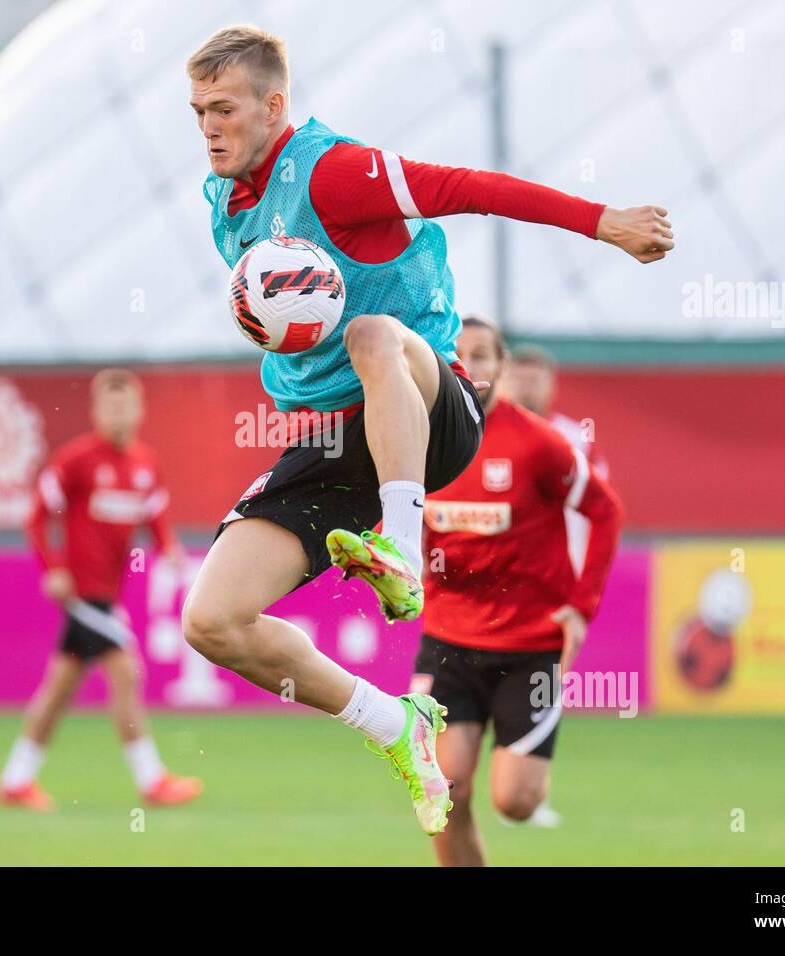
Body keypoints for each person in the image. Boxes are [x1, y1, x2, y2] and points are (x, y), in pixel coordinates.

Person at [181, 24, 669, 835]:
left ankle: (403, 546)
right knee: (212, 621)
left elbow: (470, 186)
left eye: (223, 109)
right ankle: (395, 726)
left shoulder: (334, 172)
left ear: (274, 105)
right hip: (336, 444)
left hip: (434, 407)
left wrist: (603, 221)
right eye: (197, 111)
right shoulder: (225, 203)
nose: (208, 127)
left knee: (373, 335)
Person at [417, 317, 624, 865]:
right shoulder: (415, 435)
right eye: (456, 353)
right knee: (441, 793)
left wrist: (580, 610)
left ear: (501, 368)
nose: (470, 364)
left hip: (529, 647)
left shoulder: (539, 444)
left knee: (514, 801)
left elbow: (605, 509)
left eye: (483, 355)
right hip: (447, 642)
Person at [0, 369, 202, 810]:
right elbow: (37, 516)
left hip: (107, 596)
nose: (118, 413)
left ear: (140, 409)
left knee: (58, 691)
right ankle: (152, 781)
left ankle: (16, 780)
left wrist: (168, 548)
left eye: (125, 404)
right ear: (95, 412)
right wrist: (52, 568)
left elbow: (155, 516)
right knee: (126, 673)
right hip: (81, 596)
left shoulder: (146, 464)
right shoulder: (76, 461)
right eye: (110, 406)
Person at [506, 343, 611, 574]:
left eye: (533, 381)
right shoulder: (486, 436)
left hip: (561, 570)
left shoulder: (577, 441)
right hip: (503, 568)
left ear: (551, 385)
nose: (525, 389)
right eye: (519, 380)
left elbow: (603, 507)